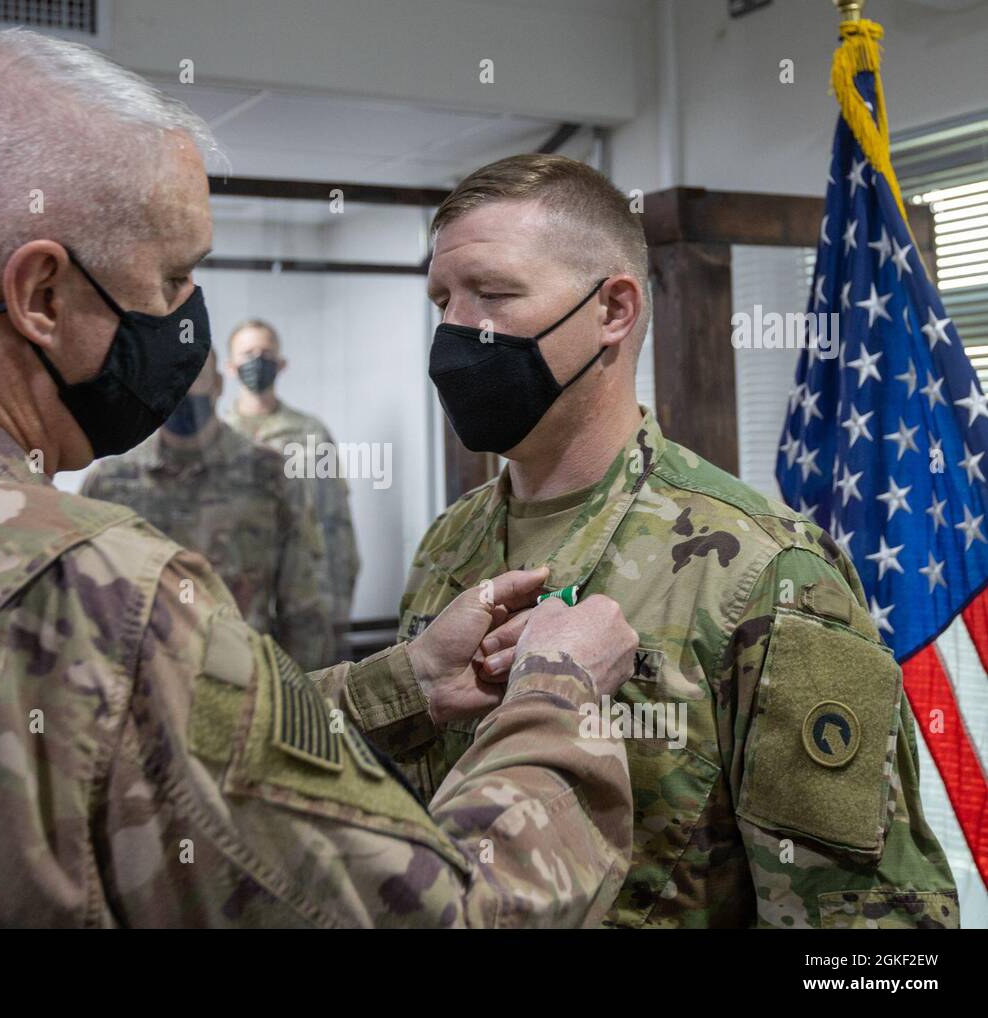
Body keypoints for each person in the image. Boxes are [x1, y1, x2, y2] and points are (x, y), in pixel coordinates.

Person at [0, 30, 636, 929]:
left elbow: (152, 756)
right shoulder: (91, 595)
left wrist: (403, 685)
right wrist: (556, 695)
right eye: (171, 279)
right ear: (43, 296)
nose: (191, 321)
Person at [369, 153, 958, 928]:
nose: (453, 331)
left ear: (613, 310)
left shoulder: (765, 570)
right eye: (442, 299)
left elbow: (870, 943)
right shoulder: (449, 542)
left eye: (493, 295)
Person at [81, 349, 335, 669]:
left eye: (195, 375)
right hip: (143, 683)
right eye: (170, 376)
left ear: (217, 383)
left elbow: (304, 608)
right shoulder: (111, 483)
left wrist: (298, 702)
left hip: (245, 681)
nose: (184, 388)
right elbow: (87, 605)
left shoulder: (270, 475)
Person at [226, 321, 360, 638]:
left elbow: (336, 521)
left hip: (308, 604)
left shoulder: (311, 434)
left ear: (281, 363)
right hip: (239, 611)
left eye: (266, 352)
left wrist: (338, 606)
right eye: (247, 353)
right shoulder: (219, 439)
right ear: (231, 367)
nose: (257, 360)